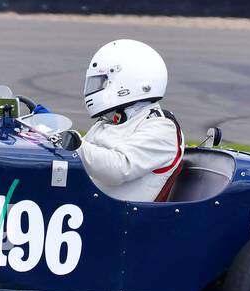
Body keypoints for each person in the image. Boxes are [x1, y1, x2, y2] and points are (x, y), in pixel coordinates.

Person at [54, 39, 182, 202]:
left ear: (128, 82)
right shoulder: (108, 123)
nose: (96, 88)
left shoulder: (161, 127)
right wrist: (45, 134)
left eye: (103, 82)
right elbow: (72, 159)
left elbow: (119, 169)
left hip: (117, 219)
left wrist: (76, 146)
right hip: (82, 206)